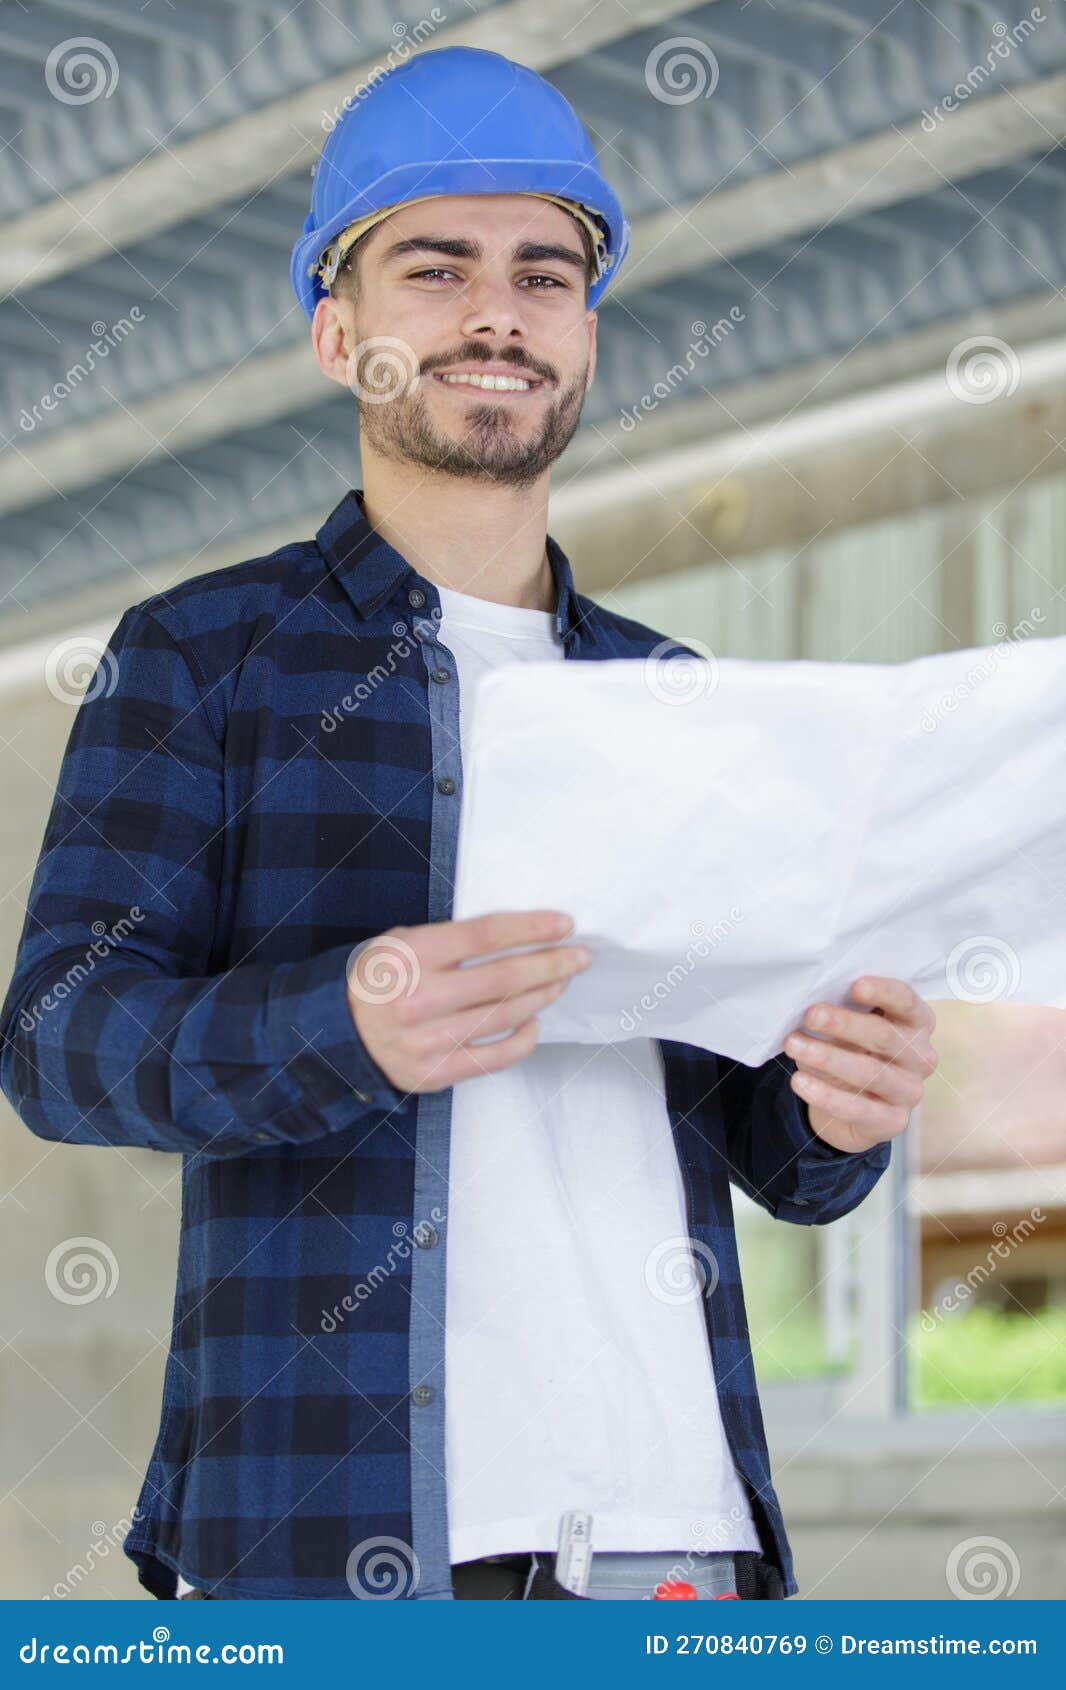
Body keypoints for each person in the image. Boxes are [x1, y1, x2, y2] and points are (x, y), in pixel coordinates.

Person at [0, 46, 937, 1602]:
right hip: (332, 1534)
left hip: (669, 1536)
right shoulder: (199, 658)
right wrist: (344, 1020)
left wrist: (843, 1107)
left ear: (582, 334)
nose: (496, 313)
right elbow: (56, 1037)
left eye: (542, 274)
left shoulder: (674, 697)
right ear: (335, 330)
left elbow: (760, 1137)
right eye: (435, 268)